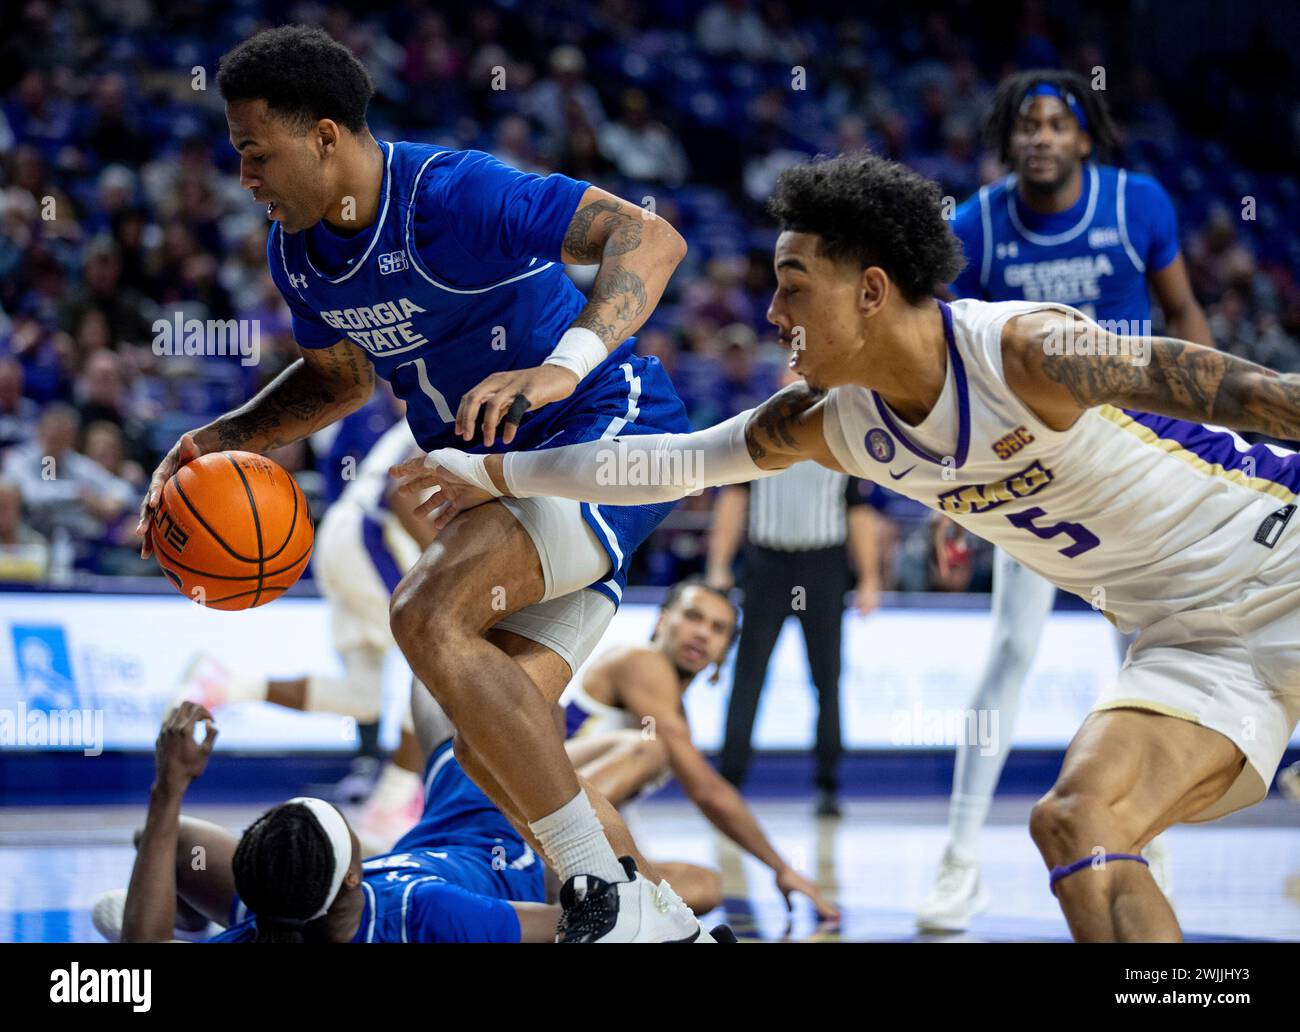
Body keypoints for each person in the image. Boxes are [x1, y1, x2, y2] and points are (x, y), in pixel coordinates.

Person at [401, 152, 1300, 943]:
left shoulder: (1025, 350)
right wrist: (495, 476)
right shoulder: (833, 425)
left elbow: (1263, 396)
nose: (771, 306)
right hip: (1187, 640)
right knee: (1077, 823)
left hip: (1282, 558)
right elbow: (671, 462)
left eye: (794, 283)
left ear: (870, 290)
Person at [135, 25, 709, 942]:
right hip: (500, 481)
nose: (244, 176)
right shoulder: (299, 253)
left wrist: (560, 367)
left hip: (609, 428)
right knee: (488, 753)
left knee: (425, 612)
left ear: (325, 136)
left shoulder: (451, 193)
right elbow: (341, 378)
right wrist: (218, 436)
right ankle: (674, 928)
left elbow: (650, 239)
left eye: (255, 152)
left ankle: (612, 901)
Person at [919, 69, 1214, 930]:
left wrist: (1207, 441)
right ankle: (958, 861)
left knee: (1149, 654)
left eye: (1058, 123)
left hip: (1137, 462)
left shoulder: (1138, 204)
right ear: (1011, 141)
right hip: (1027, 464)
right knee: (1009, 651)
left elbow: (1185, 315)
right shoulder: (978, 222)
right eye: (1027, 125)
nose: (1041, 136)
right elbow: (939, 363)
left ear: (1086, 138)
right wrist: (949, 499)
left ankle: (1143, 839)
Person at [95, 692, 561, 943]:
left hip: (303, 910)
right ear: (354, 874)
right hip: (487, 849)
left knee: (165, 841)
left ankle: (186, 921)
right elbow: (579, 925)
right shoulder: (424, 911)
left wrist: (168, 789)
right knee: (483, 690)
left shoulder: (264, 927)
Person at [172, 419, 433, 853]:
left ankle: (223, 683)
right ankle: (392, 801)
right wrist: (446, 558)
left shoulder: (439, 404)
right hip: (374, 538)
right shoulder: (458, 406)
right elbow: (398, 496)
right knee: (440, 649)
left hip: (346, 538)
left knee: (363, 696)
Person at [563, 576, 838, 918]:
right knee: (649, 748)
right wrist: (781, 867)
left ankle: (585, 902)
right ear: (663, 620)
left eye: (718, 628)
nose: (703, 633)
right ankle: (560, 874)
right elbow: (705, 789)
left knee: (705, 886)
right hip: (524, 815)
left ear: (724, 653)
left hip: (575, 845)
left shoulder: (677, 713)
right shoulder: (639, 661)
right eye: (693, 616)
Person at [706, 366, 879, 815]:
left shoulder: (844, 437)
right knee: (748, 678)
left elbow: (858, 512)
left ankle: (827, 784)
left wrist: (871, 579)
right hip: (767, 565)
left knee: (826, 679)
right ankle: (730, 781)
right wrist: (719, 565)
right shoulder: (758, 429)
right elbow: (734, 499)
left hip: (823, 567)